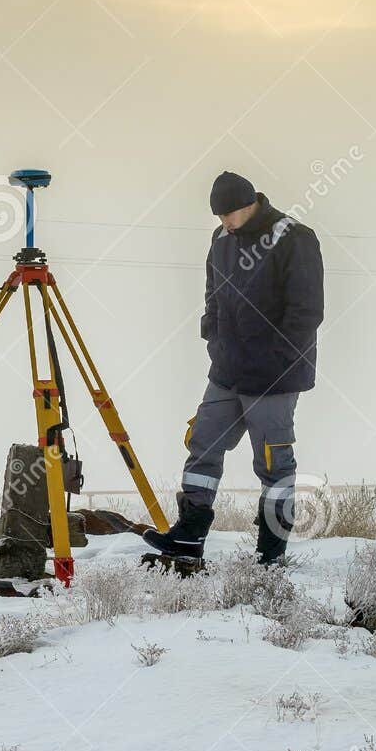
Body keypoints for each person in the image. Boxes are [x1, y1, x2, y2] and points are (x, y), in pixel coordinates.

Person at [141, 171, 324, 570]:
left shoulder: (294, 237)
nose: (224, 222)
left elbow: (307, 311)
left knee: (273, 464)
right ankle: (188, 537)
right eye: (219, 216)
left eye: (229, 214)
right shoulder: (221, 239)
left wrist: (276, 359)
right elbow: (213, 294)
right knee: (202, 444)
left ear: (250, 204)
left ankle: (270, 558)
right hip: (227, 371)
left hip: (274, 378)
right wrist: (214, 338)